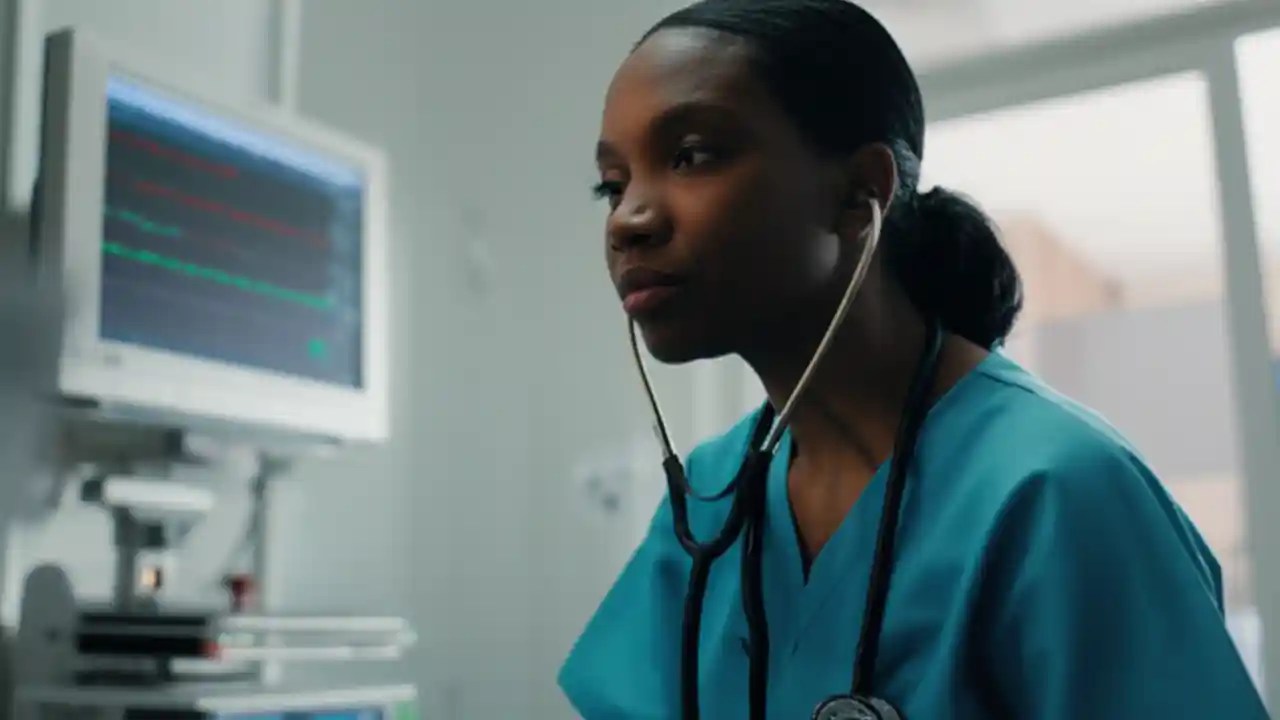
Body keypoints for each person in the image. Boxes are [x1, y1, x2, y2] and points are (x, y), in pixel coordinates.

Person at [560, 0, 1270, 717]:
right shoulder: (711, 504)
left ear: (860, 192)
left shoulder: (1053, 489)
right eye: (612, 186)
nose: (628, 219)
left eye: (691, 155)